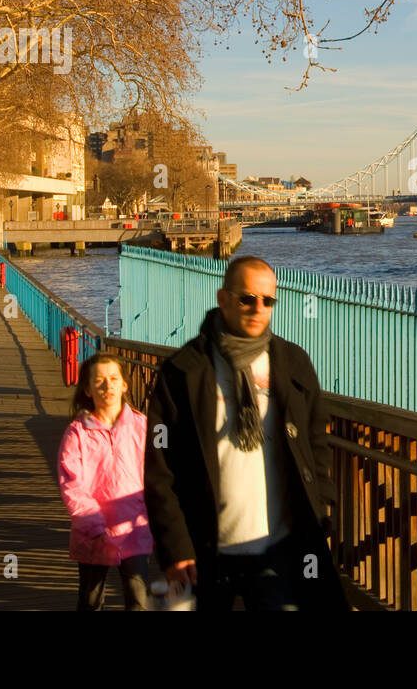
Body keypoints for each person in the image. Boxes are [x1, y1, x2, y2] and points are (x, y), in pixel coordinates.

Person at [144, 255, 348, 611]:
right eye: (247, 298)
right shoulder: (183, 371)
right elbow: (160, 469)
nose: (258, 308)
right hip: (204, 550)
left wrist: (321, 507)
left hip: (278, 550)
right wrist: (175, 547)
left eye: (268, 300)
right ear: (223, 299)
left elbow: (316, 443)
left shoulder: (294, 363)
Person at [57, 352, 153, 611]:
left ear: (124, 385)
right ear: (87, 389)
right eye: (99, 381)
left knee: (139, 600)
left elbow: (158, 476)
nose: (107, 386)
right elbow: (72, 485)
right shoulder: (77, 433)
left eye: (113, 378)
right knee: (91, 600)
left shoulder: (143, 427)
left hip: (134, 527)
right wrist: (95, 526)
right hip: (93, 533)